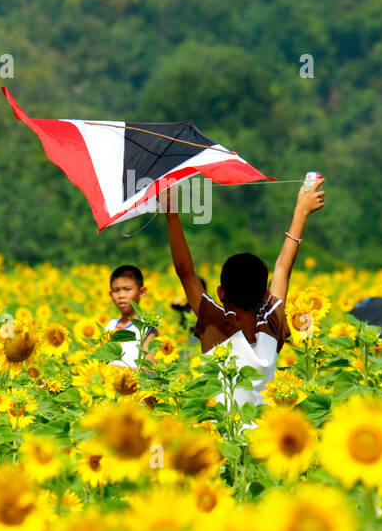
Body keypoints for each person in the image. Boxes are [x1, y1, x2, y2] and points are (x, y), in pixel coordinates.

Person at [166, 179, 326, 424]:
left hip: (223, 441)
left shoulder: (217, 326)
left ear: (220, 293)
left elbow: (186, 273)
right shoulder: (270, 325)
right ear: (264, 295)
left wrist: (171, 213)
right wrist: (301, 211)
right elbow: (283, 268)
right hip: (264, 444)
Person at [105, 264, 156, 369]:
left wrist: (117, 370)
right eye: (116, 290)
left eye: (127, 289)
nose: (121, 295)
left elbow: (151, 371)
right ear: (110, 294)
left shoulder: (146, 328)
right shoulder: (110, 325)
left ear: (142, 292)